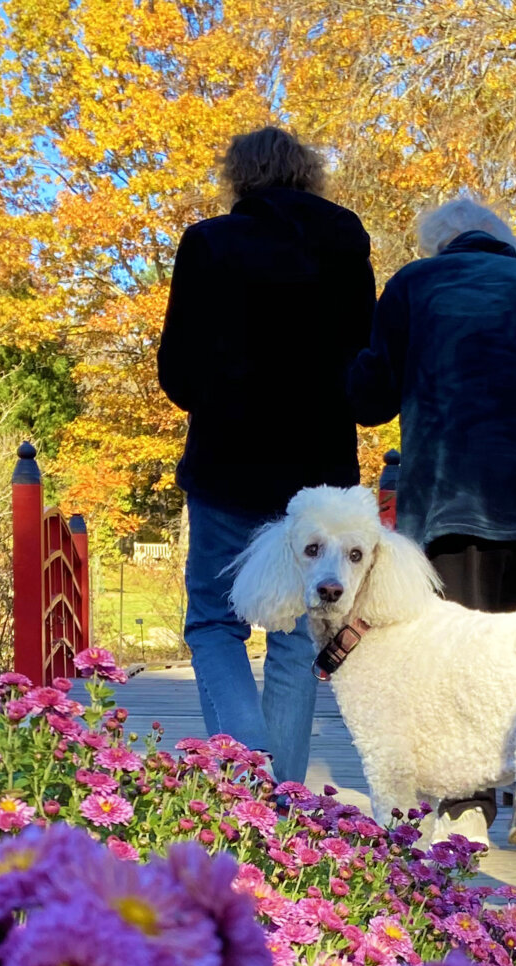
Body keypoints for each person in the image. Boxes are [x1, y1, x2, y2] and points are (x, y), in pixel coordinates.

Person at [347, 194, 516, 842]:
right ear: (506, 244)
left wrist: (351, 351)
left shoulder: (414, 286)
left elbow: (370, 397)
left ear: (439, 245)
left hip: (448, 506)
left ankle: (468, 803)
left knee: (459, 657)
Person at [157, 127, 376, 786]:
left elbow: (177, 372)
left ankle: (244, 769)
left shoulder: (209, 244)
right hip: (319, 472)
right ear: (308, 173)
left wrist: (214, 394)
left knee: (214, 621)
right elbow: (365, 365)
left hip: (229, 461)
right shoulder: (346, 240)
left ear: (239, 176)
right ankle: (281, 794)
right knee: (296, 634)